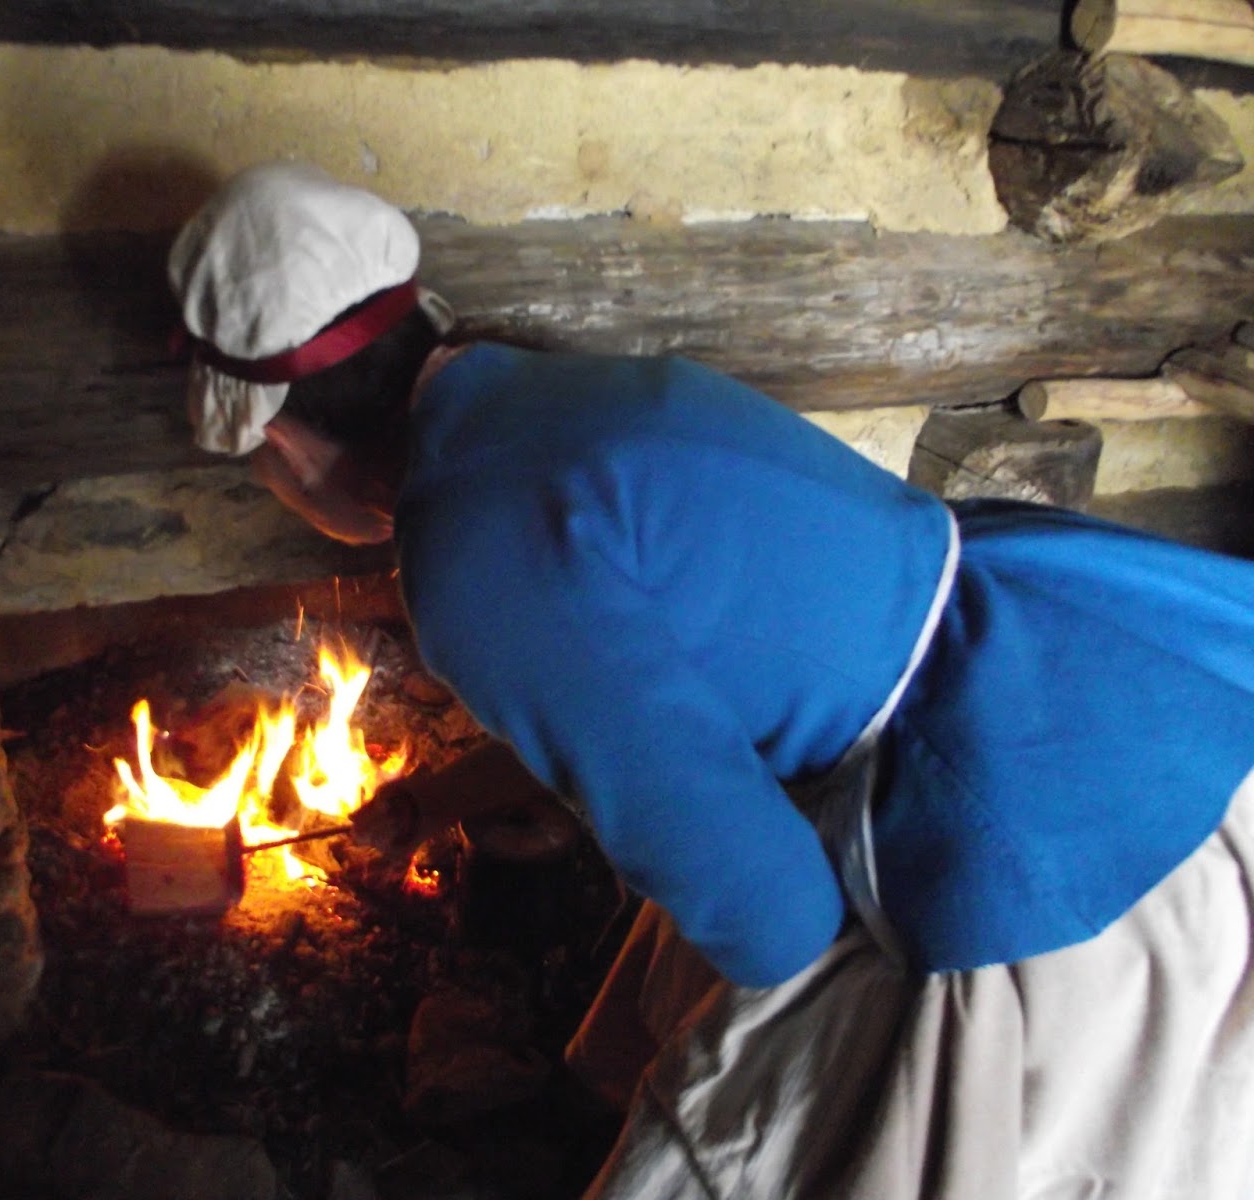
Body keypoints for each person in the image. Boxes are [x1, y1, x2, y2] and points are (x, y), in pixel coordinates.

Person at [166, 161, 1254, 1199]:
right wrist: (435, 800)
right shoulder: (547, 393)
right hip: (1068, 642)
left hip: (999, 792)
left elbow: (776, 922)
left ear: (285, 444)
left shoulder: (465, 547)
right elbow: (633, 678)